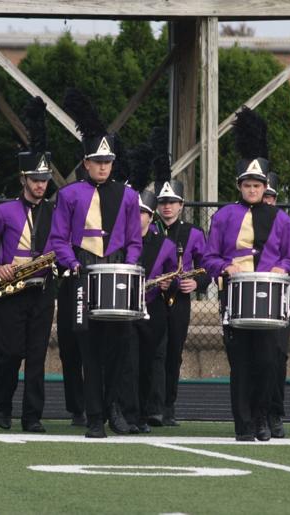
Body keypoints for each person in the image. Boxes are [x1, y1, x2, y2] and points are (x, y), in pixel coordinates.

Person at [203, 107, 290, 441]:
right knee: (241, 366)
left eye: (257, 185)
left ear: (265, 187)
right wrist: (224, 267)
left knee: (268, 363)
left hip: (269, 302)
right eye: (247, 184)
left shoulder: (284, 222)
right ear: (239, 186)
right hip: (235, 301)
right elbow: (209, 256)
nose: (252, 190)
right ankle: (244, 425)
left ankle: (264, 416)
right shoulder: (223, 217)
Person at [52, 88, 142, 438]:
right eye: (96, 162)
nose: (102, 167)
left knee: (119, 350)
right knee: (88, 350)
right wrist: (73, 265)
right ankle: (93, 418)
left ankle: (115, 410)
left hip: (117, 276)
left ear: (112, 164)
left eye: (107, 162)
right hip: (82, 275)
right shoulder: (69, 194)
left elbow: (134, 241)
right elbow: (58, 239)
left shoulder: (129, 196)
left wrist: (129, 268)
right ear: (85, 163)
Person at [0, 96, 58, 433]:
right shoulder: (4, 211)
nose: (40, 185)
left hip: (43, 289)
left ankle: (32, 417)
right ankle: (3, 407)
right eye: (35, 179)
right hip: (11, 290)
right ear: (24, 178)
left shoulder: (56, 212)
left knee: (37, 358)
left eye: (45, 179)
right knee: (9, 354)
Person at [117, 143, 176, 433]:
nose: (137, 217)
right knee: (128, 361)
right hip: (125, 306)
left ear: (151, 217)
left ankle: (145, 413)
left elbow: (173, 276)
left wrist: (168, 284)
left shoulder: (165, 245)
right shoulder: (119, 242)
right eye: (133, 211)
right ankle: (128, 414)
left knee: (148, 363)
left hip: (152, 306)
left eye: (143, 213)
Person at [151, 145, 209, 428]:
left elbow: (208, 266)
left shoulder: (194, 233)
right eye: (162, 202)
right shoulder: (148, 230)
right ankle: (151, 405)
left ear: (182, 204)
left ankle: (168, 405)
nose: (167, 207)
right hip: (152, 298)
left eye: (172, 202)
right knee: (153, 352)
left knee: (173, 353)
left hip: (179, 299)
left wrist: (195, 282)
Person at [260, 172, 290, 438]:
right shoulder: (239, 221)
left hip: (278, 302)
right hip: (245, 301)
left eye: (270, 196)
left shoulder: (288, 225)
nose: (266, 200)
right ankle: (254, 414)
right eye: (262, 195)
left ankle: (274, 413)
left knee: (277, 359)